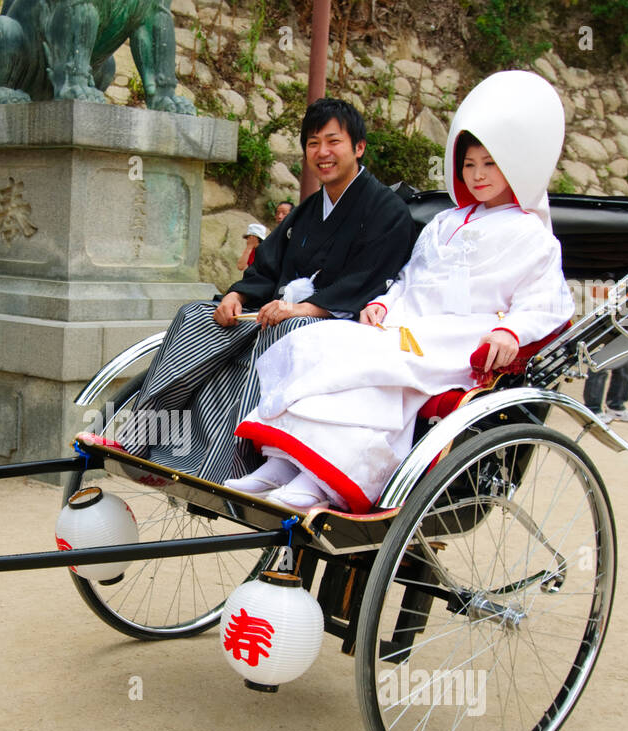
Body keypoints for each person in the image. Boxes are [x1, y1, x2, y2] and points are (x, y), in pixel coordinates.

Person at [227, 71, 575, 511]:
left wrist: (510, 334)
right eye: (470, 165)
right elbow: (410, 279)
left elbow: (544, 301)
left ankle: (325, 480)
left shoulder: (532, 233)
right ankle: (287, 461)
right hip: (407, 325)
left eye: (490, 164)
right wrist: (380, 303)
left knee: (377, 367)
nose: (478, 174)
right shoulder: (446, 222)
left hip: (462, 338)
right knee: (317, 338)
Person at [115, 99, 415, 484]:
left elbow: (370, 281)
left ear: (359, 147)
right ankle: (145, 437)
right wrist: (238, 296)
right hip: (279, 310)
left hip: (334, 321)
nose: (322, 153)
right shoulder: (308, 210)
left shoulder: (388, 211)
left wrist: (305, 308)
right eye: (312, 143)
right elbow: (268, 264)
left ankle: (224, 465)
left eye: (333, 141)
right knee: (196, 317)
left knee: (281, 335)